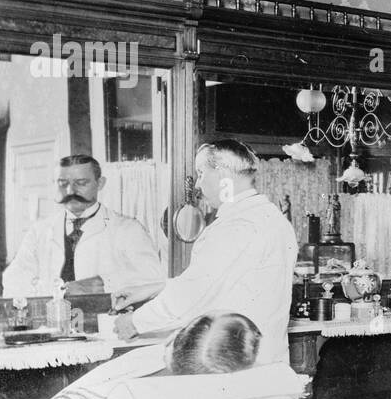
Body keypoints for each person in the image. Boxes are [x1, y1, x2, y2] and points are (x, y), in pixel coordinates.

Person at [112, 140, 297, 365]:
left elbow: (192, 294)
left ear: (221, 174)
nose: (198, 185)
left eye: (201, 173)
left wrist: (135, 322)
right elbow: (227, 282)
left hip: (231, 363)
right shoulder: (273, 219)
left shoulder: (236, 225)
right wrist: (153, 288)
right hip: (264, 357)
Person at [1, 153, 163, 298]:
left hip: (107, 323)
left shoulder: (128, 229)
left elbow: (153, 277)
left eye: (81, 183)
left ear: (100, 183)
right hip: (53, 321)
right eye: (63, 183)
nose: (71, 190)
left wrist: (102, 284)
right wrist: (54, 289)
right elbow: (13, 279)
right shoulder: (40, 231)